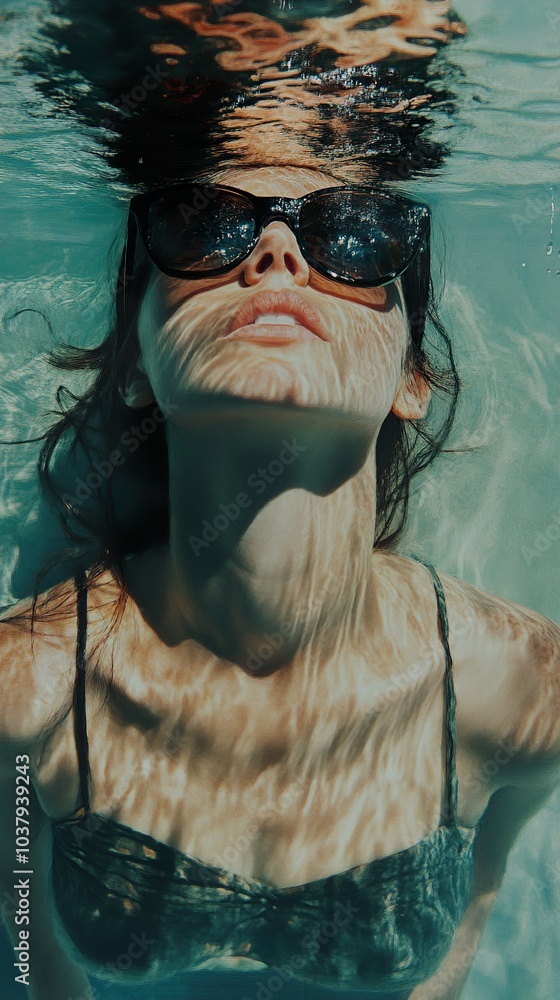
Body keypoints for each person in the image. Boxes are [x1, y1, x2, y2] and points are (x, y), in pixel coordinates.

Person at [1, 163, 559, 1000]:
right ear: (136, 363)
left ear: (413, 376)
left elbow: (480, 895)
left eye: (358, 235)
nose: (277, 250)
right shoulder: (26, 692)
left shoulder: (526, 689)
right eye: (199, 224)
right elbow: (23, 922)